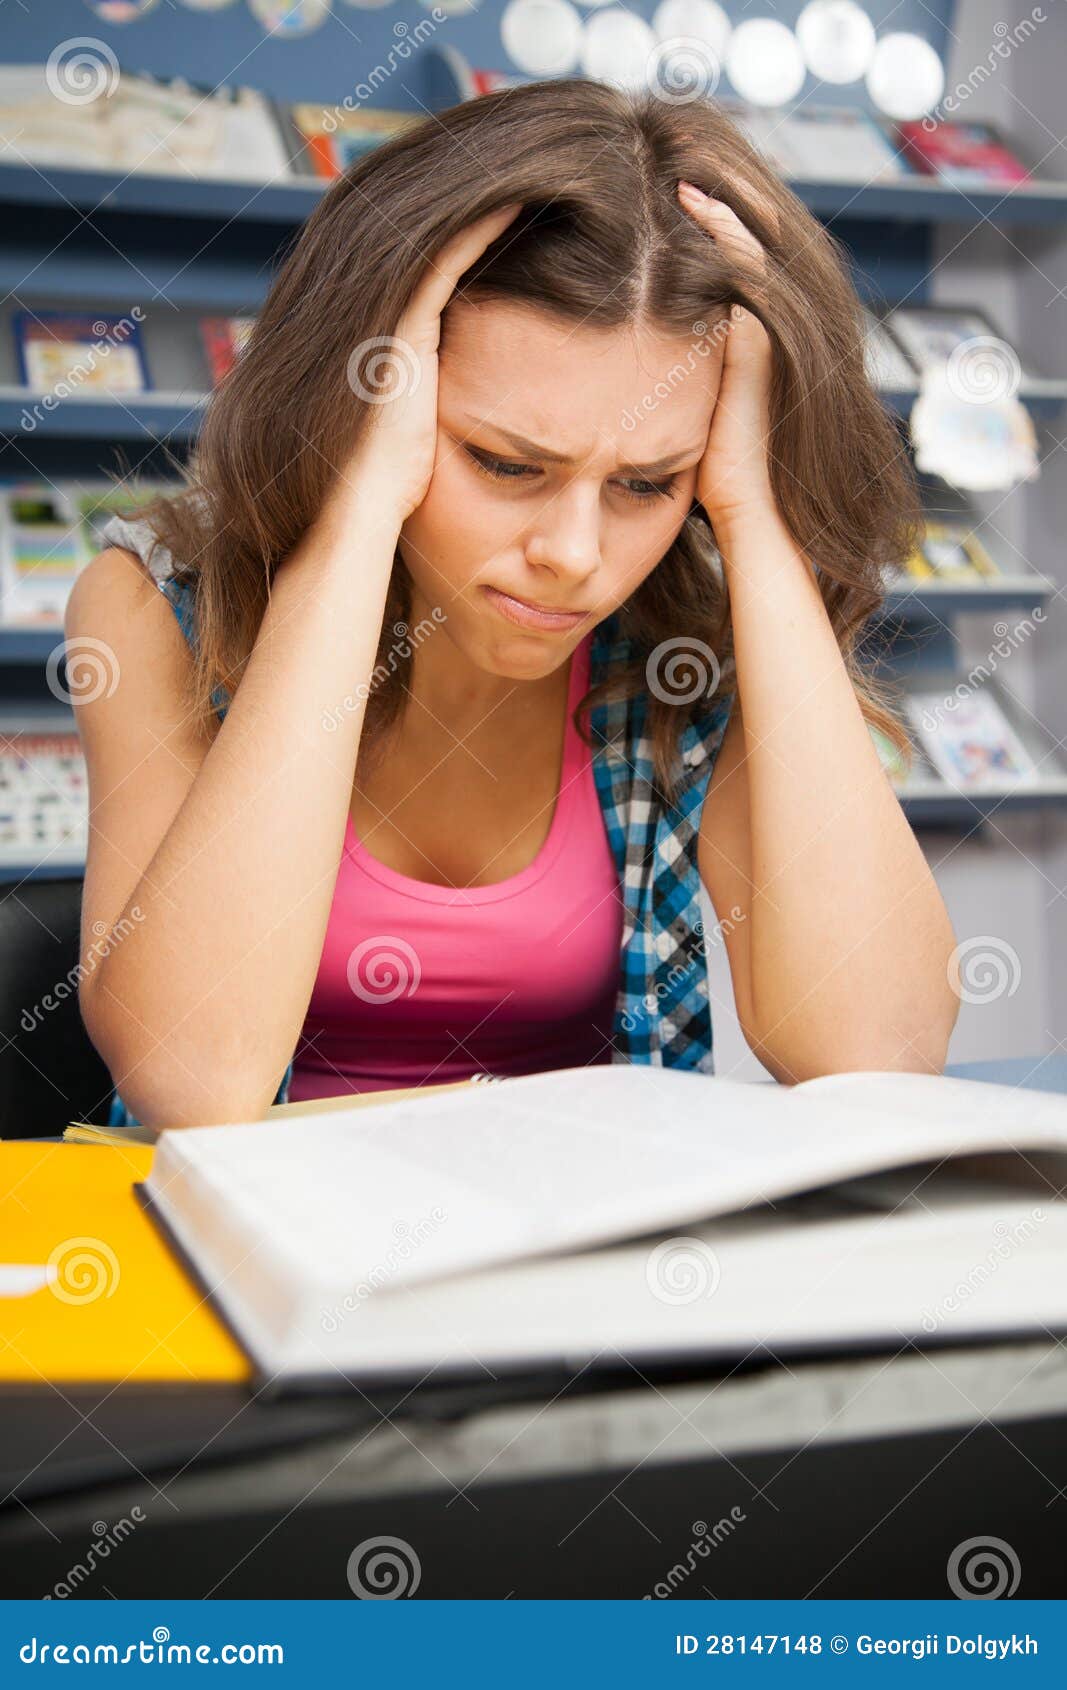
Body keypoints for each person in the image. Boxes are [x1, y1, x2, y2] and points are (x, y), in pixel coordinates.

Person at [66, 78, 959, 1131]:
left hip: (587, 1231)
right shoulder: (153, 608)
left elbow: (875, 1054)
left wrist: (759, 512)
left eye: (646, 483)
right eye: (503, 463)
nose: (573, 556)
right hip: (246, 1234)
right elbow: (190, 1083)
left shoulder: (685, 650)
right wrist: (356, 508)